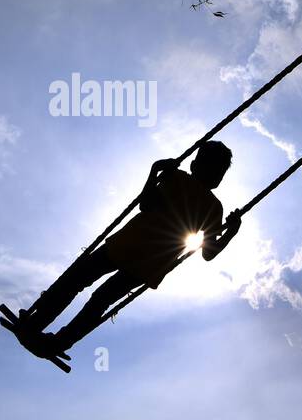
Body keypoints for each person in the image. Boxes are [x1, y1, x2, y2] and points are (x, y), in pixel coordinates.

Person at [20, 141, 242, 355]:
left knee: (76, 280)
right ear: (216, 176)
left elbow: (145, 204)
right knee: (100, 300)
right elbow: (209, 253)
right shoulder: (214, 208)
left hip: (128, 243)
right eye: (219, 172)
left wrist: (154, 171)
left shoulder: (178, 178)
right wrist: (231, 232)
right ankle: (59, 342)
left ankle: (37, 323)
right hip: (149, 264)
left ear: (194, 165)